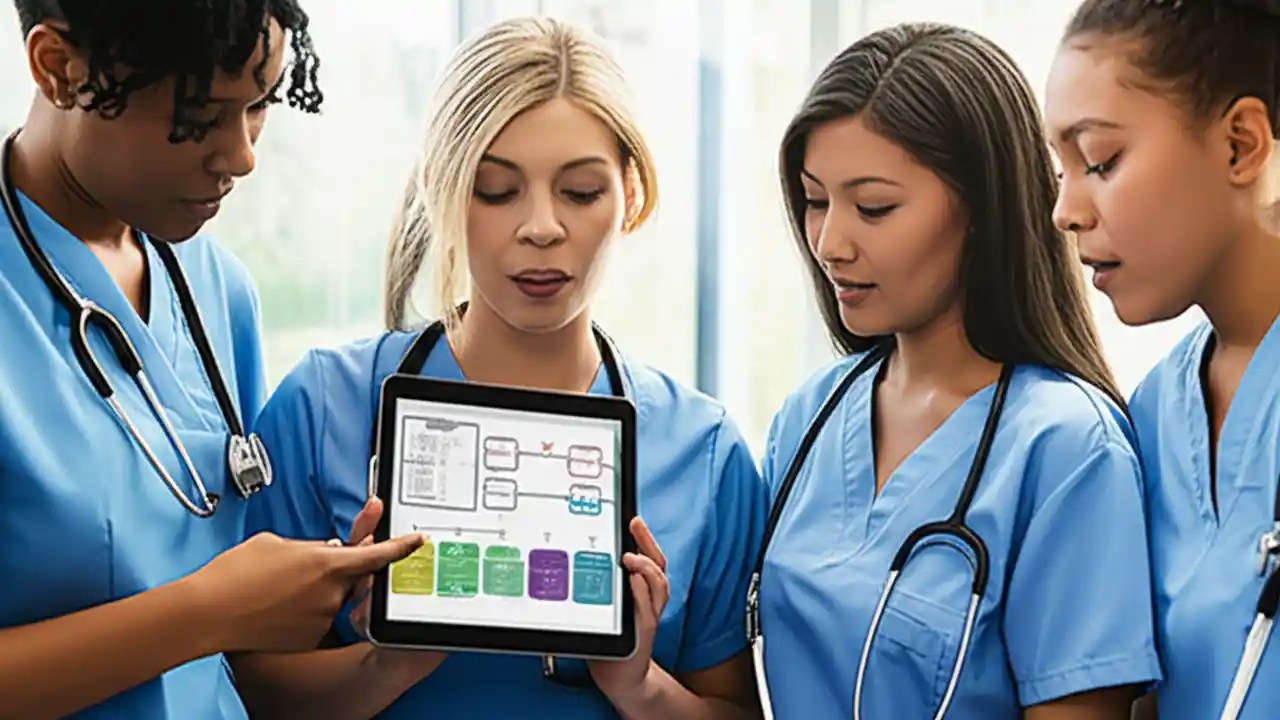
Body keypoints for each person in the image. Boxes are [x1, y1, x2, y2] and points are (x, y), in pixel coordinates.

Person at [233, 16, 766, 720]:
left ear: (631, 196)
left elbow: (737, 709)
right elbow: (244, 691)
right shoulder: (324, 406)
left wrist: (639, 686)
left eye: (581, 192)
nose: (541, 227)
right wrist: (386, 663)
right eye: (495, 190)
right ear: (441, 190)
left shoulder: (704, 450)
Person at [0, 3, 424, 718]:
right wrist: (207, 613)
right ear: (60, 69)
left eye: (258, 105)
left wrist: (320, 589)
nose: (242, 156)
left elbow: (240, 607)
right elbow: (216, 607)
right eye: (199, 116)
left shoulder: (216, 288)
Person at [752, 22, 1162, 719]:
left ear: (981, 207)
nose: (829, 243)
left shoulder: (1067, 450)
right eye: (816, 201)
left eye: (873, 207)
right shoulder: (811, 415)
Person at [1047, 1, 1280, 718]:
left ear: (1240, 145)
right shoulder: (1148, 420)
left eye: (1099, 161)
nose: (1065, 211)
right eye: (1060, 171)